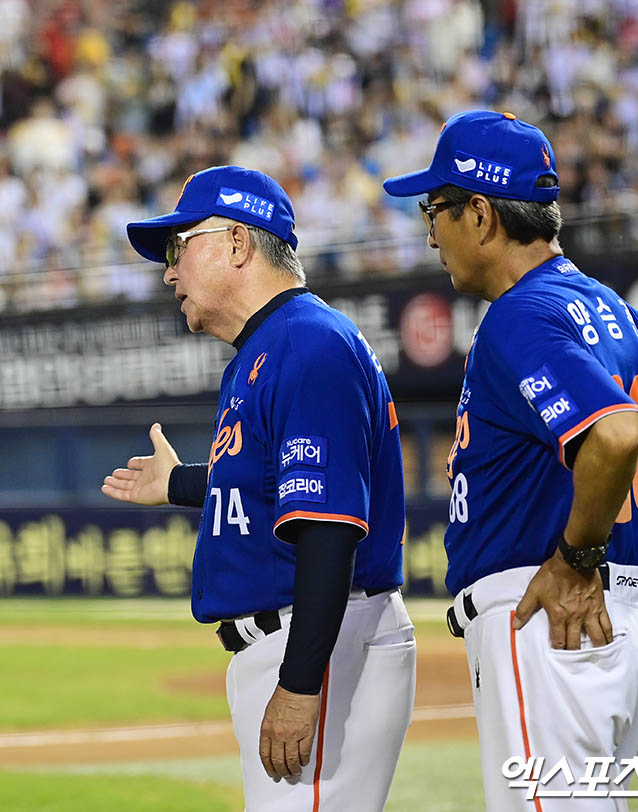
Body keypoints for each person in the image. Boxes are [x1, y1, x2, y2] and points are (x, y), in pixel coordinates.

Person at [382, 110, 638, 810]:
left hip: (552, 622)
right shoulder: (615, 312)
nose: (430, 230)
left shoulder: (524, 314)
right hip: (615, 630)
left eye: (434, 208)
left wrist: (578, 557)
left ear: (481, 214)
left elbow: (616, 434)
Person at [103, 165, 416, 811]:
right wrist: (184, 483)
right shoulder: (273, 344)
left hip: (316, 644)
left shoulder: (306, 343)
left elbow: (328, 526)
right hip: (301, 640)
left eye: (178, 247)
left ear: (237, 244)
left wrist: (300, 684)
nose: (168, 272)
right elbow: (276, 482)